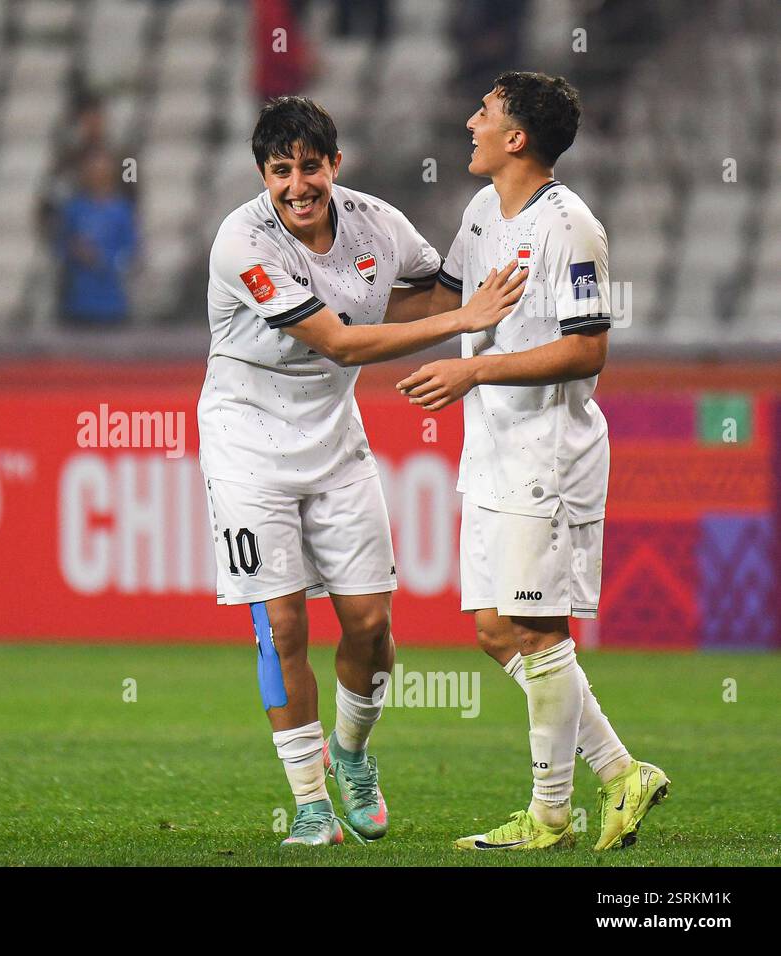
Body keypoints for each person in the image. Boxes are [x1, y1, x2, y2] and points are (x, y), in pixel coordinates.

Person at [198, 95, 526, 848]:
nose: (297, 185)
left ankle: (351, 753)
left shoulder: (377, 223)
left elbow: (436, 288)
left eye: (310, 166)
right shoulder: (241, 242)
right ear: (263, 175)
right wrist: (461, 323)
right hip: (246, 445)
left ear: (334, 165)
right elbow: (341, 344)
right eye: (281, 171)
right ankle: (312, 806)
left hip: (334, 437)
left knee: (372, 627)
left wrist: (471, 288)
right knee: (282, 626)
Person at [394, 72, 669, 851]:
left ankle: (549, 815)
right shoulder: (483, 211)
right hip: (491, 449)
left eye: (484, 111)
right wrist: (338, 276)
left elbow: (588, 349)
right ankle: (621, 773)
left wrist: (472, 368)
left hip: (546, 456)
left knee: (536, 628)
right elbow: (444, 302)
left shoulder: (571, 227)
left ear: (516, 138)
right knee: (494, 628)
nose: (470, 120)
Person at [56, 149, 137, 326]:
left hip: (112, 304)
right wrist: (74, 251)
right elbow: (61, 246)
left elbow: (130, 253)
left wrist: (100, 258)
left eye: (102, 169)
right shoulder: (75, 209)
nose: (97, 174)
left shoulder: (121, 210)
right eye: (92, 169)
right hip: (77, 303)